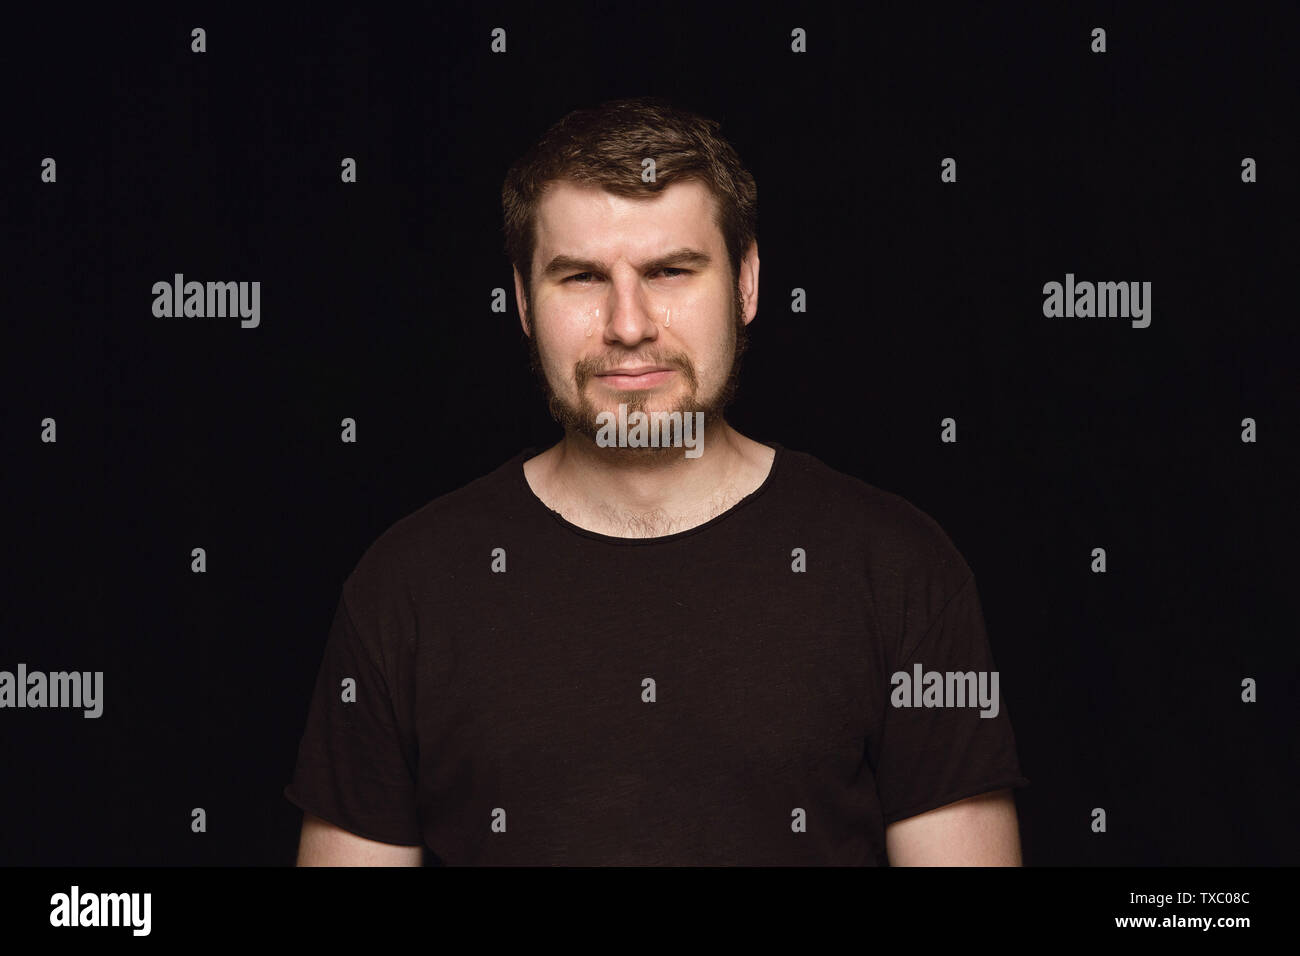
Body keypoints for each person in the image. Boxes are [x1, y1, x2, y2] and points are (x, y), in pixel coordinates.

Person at [285, 96, 1029, 866]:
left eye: (670, 271)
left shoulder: (901, 569)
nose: (629, 324)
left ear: (746, 284)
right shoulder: (405, 587)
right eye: (580, 278)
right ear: (521, 302)